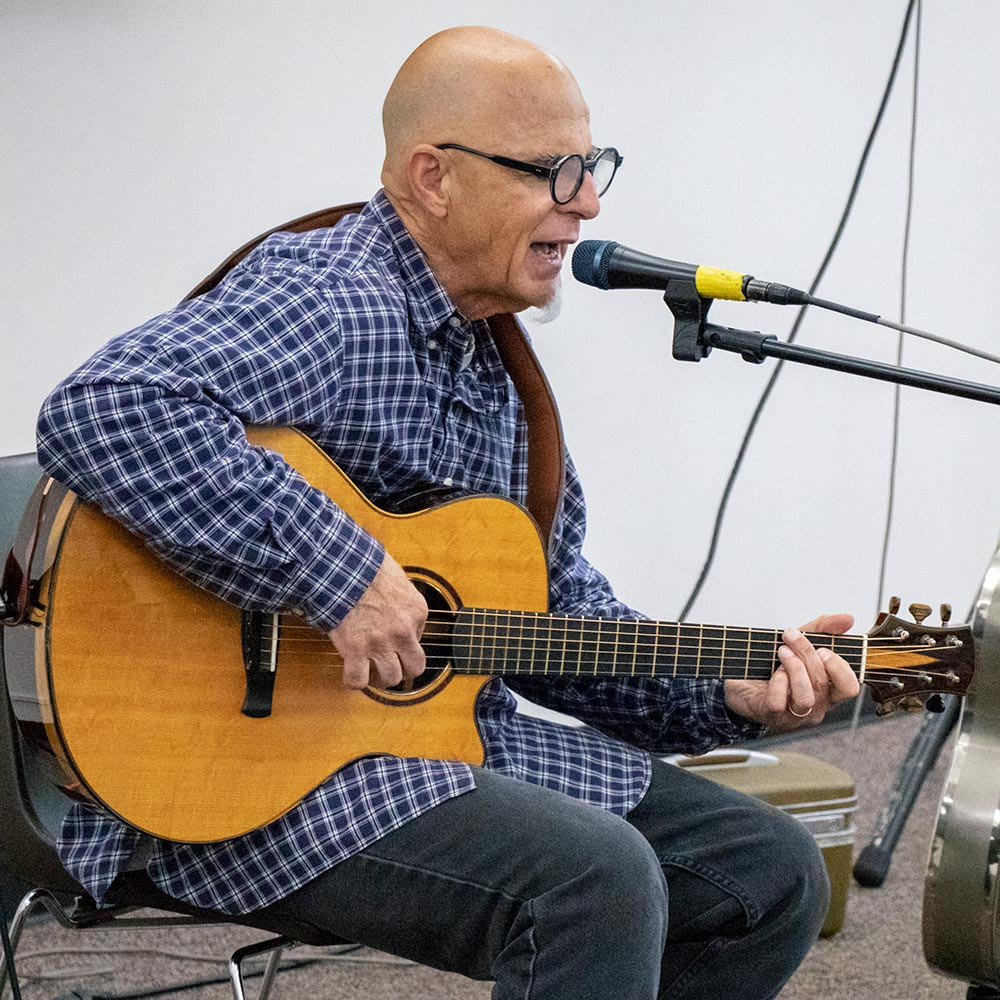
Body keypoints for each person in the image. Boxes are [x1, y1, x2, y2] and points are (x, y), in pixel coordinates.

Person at [36, 26, 860, 1000]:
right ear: (433, 177)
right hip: (231, 767)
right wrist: (343, 574)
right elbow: (105, 406)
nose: (588, 204)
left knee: (769, 874)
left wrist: (723, 691)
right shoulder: (331, 299)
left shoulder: (500, 373)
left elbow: (556, 619)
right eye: (553, 172)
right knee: (594, 880)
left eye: (592, 168)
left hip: (442, 745)